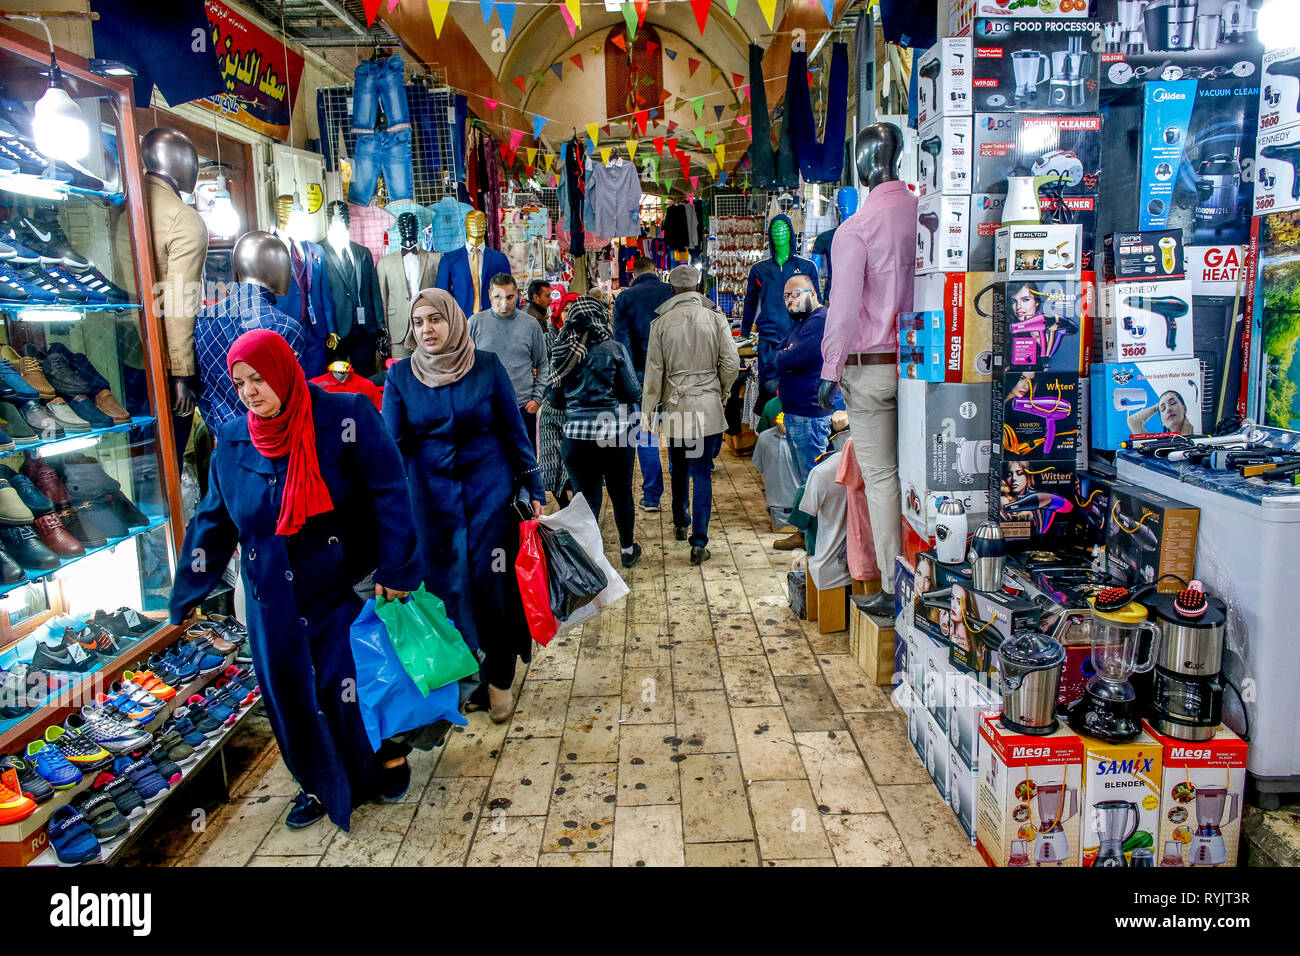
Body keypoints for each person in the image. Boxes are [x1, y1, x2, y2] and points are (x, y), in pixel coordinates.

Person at [169, 330, 422, 833]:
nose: (249, 391)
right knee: (291, 698)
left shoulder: (345, 418)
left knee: (350, 686)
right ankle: (317, 782)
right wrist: (186, 594)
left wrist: (397, 568)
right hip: (273, 602)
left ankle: (379, 765)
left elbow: (391, 491)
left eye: (259, 378)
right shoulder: (234, 441)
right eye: (240, 382)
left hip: (341, 588)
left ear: (282, 370)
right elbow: (214, 523)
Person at [383, 289, 542, 723]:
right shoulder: (399, 378)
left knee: (491, 588)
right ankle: (461, 677)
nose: (427, 329)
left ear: (452, 320)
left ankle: (500, 678)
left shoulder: (486, 367)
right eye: (418, 323)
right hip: (430, 507)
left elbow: (515, 433)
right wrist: (387, 521)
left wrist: (536, 488)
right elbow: (391, 453)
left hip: (489, 497)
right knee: (444, 593)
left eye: (435, 319)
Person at [643, 264, 740, 565]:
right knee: (702, 471)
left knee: (679, 467)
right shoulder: (715, 319)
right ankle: (699, 542)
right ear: (699, 288)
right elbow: (731, 363)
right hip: (707, 408)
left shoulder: (659, 324)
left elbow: (653, 374)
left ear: (672, 290)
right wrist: (720, 393)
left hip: (677, 409)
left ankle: (679, 521)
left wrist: (649, 413)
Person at [547, 295, 643, 568]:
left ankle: (590, 556)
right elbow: (633, 391)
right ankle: (626, 550)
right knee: (621, 492)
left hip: (576, 437)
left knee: (585, 498)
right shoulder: (614, 349)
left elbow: (553, 400)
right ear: (601, 317)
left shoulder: (561, 350)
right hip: (615, 434)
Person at [613, 257, 675, 512]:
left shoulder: (625, 298)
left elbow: (621, 344)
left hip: (640, 374)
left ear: (633, 274)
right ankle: (680, 493)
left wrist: (627, 380)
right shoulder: (670, 292)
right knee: (676, 434)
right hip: (672, 375)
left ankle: (651, 496)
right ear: (655, 271)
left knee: (646, 436)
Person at [468, 273, 547, 451]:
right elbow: (465, 365)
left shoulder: (531, 325)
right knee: (489, 463)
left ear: (518, 294)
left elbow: (542, 363)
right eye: (498, 297)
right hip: (485, 407)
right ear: (489, 295)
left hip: (523, 407)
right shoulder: (475, 323)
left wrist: (537, 398)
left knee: (526, 466)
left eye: (510, 297)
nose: (504, 304)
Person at [774, 274, 835, 484]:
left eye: (796, 294)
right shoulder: (801, 322)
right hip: (799, 414)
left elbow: (788, 358)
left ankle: (817, 519)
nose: (790, 300)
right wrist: (785, 354)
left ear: (813, 294)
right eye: (786, 296)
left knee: (812, 485)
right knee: (806, 483)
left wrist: (786, 354)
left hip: (809, 416)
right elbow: (780, 352)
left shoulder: (819, 321)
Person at [538, 292, 578, 507]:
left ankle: (575, 510)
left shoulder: (586, 338)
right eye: (565, 308)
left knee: (572, 464)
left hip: (576, 410)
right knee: (550, 462)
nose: (568, 313)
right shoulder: (547, 338)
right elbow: (539, 367)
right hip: (552, 409)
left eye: (573, 309)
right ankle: (564, 505)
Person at [1127, 389, 1193, 436]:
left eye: (1173, 403)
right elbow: (1132, 421)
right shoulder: (1158, 445)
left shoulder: (1198, 440)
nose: (1168, 409)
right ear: (1162, 422)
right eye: (1163, 408)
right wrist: (1155, 408)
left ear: (1184, 409)